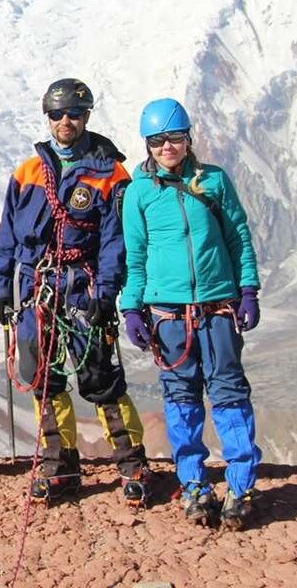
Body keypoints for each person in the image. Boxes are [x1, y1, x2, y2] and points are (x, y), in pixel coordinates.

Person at [0, 78, 151, 505]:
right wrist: (1, 286)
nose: (66, 121)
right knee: (45, 378)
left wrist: (106, 293)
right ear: (47, 116)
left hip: (83, 288)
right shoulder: (27, 172)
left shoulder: (111, 173)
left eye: (74, 114)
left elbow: (117, 241)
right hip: (34, 290)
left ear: (87, 117)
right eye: (58, 114)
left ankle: (132, 464)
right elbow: (7, 236)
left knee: (100, 378)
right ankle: (60, 466)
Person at [120, 98, 262, 529]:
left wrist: (248, 288)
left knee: (229, 393)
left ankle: (241, 485)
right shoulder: (139, 193)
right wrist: (132, 307)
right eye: (159, 140)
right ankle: (195, 484)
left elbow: (238, 236)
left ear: (188, 139)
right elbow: (136, 255)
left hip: (217, 306)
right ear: (147, 144)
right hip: (168, 314)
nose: (168, 147)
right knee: (181, 399)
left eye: (175, 138)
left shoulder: (214, 181)